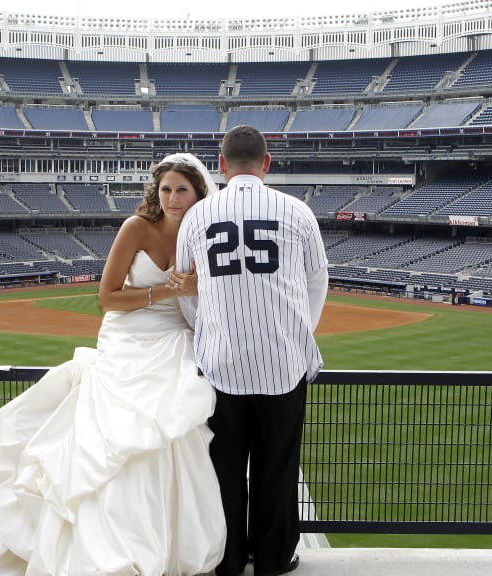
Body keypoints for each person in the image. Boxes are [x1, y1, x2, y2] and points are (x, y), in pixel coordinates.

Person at [0, 152, 225, 576]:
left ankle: (169, 541)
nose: (173, 198)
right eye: (166, 189)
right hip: (128, 338)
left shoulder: (208, 234)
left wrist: (196, 288)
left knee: (176, 422)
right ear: (156, 192)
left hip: (177, 339)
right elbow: (107, 298)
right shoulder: (137, 227)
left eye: (182, 190)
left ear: (198, 193)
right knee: (115, 429)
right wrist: (166, 293)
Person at [174, 125, 328, 576]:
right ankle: (274, 557)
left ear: (221, 166)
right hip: (284, 362)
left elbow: (185, 285)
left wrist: (205, 328)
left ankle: (228, 558)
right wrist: (299, 334)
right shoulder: (297, 211)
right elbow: (317, 280)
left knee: (223, 469)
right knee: (276, 466)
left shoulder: (198, 216)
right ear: (266, 163)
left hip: (220, 364)